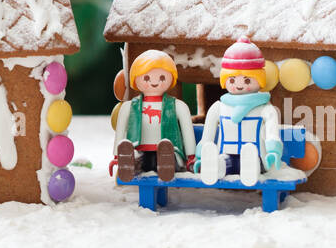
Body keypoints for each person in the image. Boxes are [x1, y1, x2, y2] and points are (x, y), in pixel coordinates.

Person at [195, 37, 302, 187]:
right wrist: (201, 155)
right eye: (232, 80)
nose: (239, 85)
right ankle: (214, 168)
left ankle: (250, 169)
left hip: (256, 155)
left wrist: (273, 151)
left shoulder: (265, 108)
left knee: (250, 158)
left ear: (259, 80)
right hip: (226, 153)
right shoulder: (219, 107)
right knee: (222, 162)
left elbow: (272, 132)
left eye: (247, 80)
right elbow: (208, 135)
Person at [113, 50, 196, 181]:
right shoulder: (129, 107)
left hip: (170, 150)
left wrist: (191, 156)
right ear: (135, 78)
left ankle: (166, 167)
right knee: (134, 156)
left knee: (166, 154)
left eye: (162, 77)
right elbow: (120, 133)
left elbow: (187, 131)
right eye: (146, 77)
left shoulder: (177, 106)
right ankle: (128, 164)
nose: (154, 82)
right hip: (140, 149)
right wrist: (117, 156)